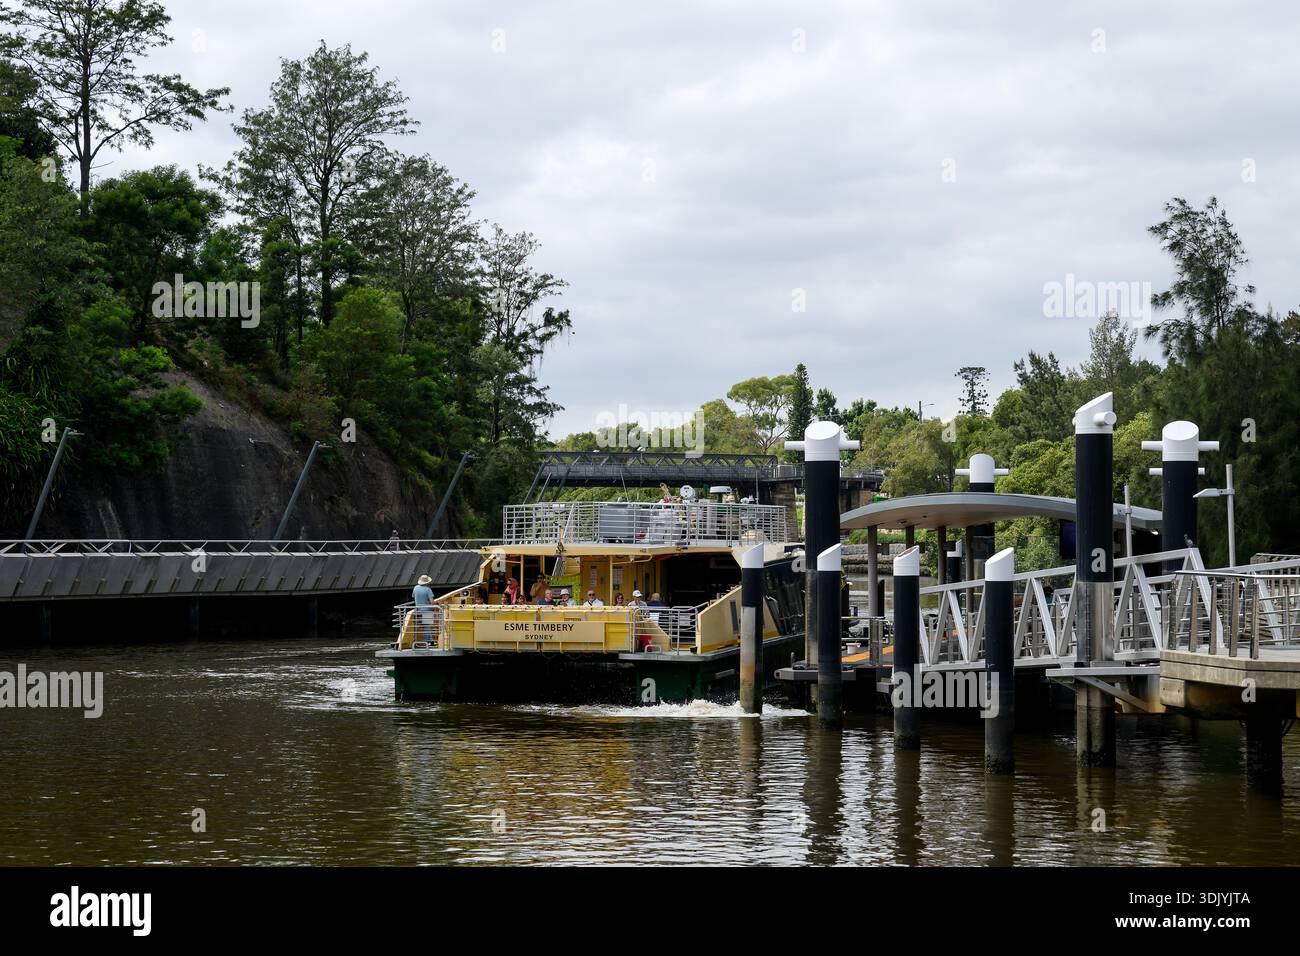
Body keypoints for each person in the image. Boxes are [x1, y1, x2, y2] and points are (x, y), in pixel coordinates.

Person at [412, 573, 435, 643]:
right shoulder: (428, 589)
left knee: (424, 626)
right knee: (427, 626)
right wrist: (435, 605)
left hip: (418, 610)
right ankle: (427, 640)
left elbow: (413, 596)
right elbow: (432, 602)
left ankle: (430, 640)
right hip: (427, 610)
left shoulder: (415, 588)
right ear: (427, 582)